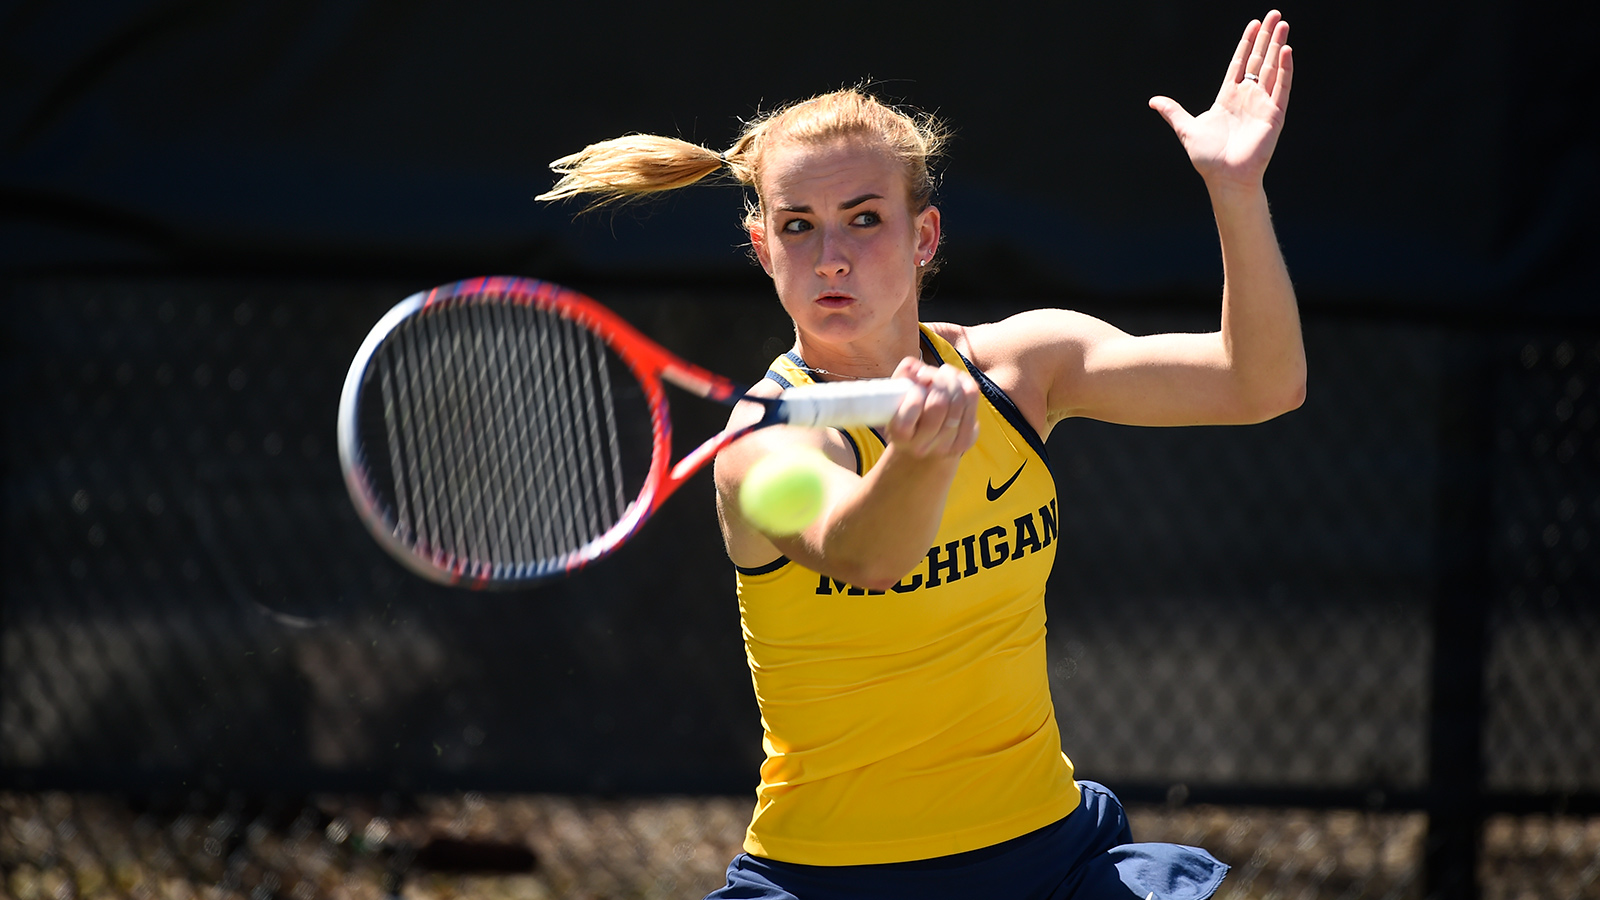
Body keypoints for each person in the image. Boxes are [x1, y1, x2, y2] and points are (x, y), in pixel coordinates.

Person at [538, 11, 1302, 899]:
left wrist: (1236, 191)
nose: (831, 256)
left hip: (1047, 863)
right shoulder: (761, 446)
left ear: (925, 237)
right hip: (829, 882)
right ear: (763, 250)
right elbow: (867, 555)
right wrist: (921, 456)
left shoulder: (1024, 369)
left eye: (864, 219)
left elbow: (1260, 384)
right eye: (797, 227)